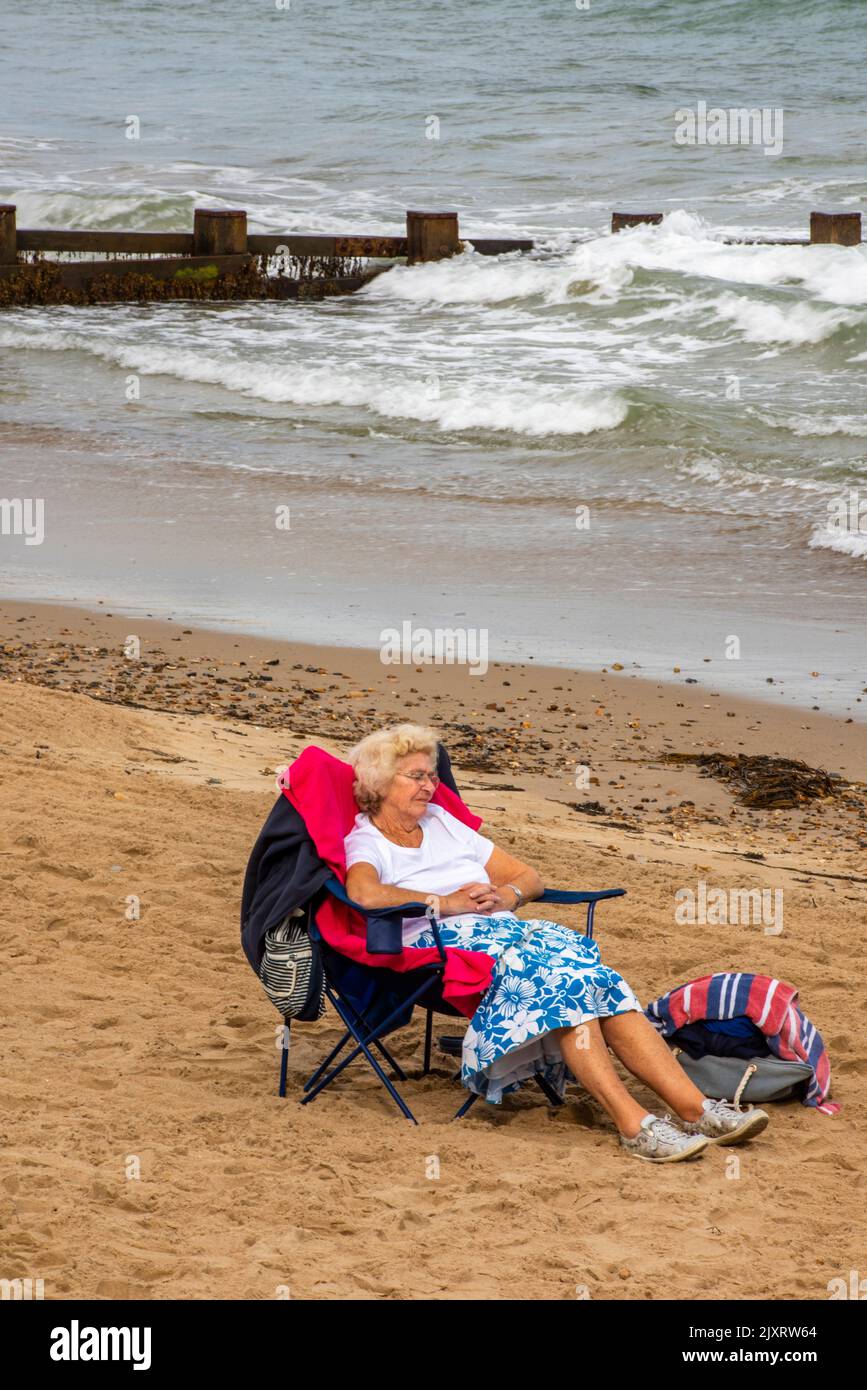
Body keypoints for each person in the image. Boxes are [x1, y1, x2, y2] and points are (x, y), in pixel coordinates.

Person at [344, 723, 769, 1163]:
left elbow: (529, 878)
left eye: (431, 776)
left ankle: (695, 1109)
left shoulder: (443, 823)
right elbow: (364, 894)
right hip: (445, 950)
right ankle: (633, 1123)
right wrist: (446, 901)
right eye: (416, 776)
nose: (430, 786)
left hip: (506, 933)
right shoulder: (368, 838)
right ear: (379, 782)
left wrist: (505, 896)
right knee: (567, 988)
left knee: (600, 982)